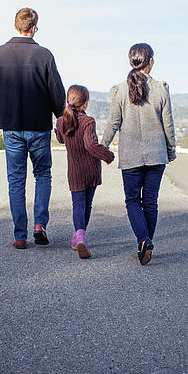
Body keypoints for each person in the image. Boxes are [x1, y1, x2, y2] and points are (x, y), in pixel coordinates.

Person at [0, 8, 66, 249]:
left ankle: (20, 235)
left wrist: (0, 117)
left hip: (11, 126)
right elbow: (57, 93)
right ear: (34, 28)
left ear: (15, 25)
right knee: (42, 174)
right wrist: (60, 117)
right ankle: (40, 224)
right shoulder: (44, 55)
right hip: (39, 126)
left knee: (16, 180)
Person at [102, 43, 176, 265]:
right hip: (156, 155)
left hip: (131, 157)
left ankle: (143, 241)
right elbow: (168, 125)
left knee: (133, 200)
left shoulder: (119, 90)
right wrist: (171, 150)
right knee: (150, 201)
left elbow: (113, 123)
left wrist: (102, 145)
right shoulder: (161, 89)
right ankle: (147, 243)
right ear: (150, 61)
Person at [55, 85, 115, 259]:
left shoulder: (60, 121)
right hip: (90, 170)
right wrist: (107, 155)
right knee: (87, 205)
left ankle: (79, 235)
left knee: (78, 204)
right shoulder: (88, 122)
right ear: (85, 104)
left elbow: (60, 138)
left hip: (74, 171)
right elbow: (90, 145)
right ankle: (80, 236)